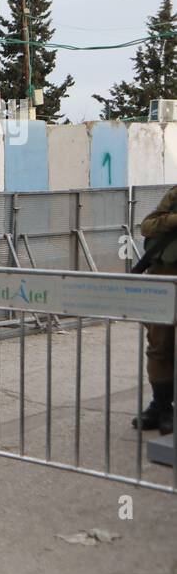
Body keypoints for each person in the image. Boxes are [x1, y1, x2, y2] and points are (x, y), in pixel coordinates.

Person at [133, 184, 177, 434]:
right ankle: (161, 405)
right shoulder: (175, 194)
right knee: (159, 345)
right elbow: (148, 225)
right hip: (162, 283)